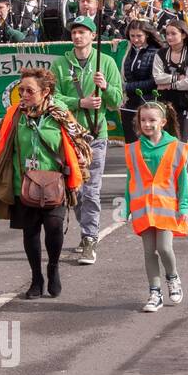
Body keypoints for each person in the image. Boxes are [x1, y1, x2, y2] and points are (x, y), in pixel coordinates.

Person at [0, 67, 88, 299]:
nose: (23, 95)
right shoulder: (14, 115)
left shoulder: (60, 114)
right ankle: (36, 278)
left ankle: (53, 267)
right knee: (30, 232)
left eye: (29, 91)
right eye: (21, 90)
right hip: (24, 184)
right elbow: (1, 148)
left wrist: (78, 170)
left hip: (55, 184)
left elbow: (80, 144)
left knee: (53, 228)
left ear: (45, 91)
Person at [50, 16, 121, 266]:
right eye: (75, 32)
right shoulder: (60, 64)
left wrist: (106, 87)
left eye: (83, 32)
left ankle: (90, 237)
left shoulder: (107, 62)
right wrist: (80, 103)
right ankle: (87, 231)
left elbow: (116, 101)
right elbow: (52, 98)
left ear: (93, 36)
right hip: (69, 135)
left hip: (96, 135)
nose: (78, 36)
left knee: (91, 190)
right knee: (75, 190)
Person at [125, 101, 188, 314]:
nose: (147, 124)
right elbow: (130, 179)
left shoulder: (175, 147)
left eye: (152, 120)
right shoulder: (134, 149)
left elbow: (182, 180)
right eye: (143, 120)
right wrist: (126, 207)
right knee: (148, 251)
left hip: (166, 207)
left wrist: (184, 205)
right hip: (143, 207)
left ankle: (172, 277)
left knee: (164, 248)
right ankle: (155, 293)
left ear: (163, 122)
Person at [152, 19, 188, 143]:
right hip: (163, 103)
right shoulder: (160, 53)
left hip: (185, 103)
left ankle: (180, 163)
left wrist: (169, 85)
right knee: (164, 142)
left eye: (173, 33)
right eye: (167, 33)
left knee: (181, 143)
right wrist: (177, 78)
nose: (169, 37)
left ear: (184, 34)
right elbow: (157, 77)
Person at [120, 20, 162, 144]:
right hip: (130, 103)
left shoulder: (155, 52)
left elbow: (153, 82)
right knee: (131, 142)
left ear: (147, 35)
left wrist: (127, 87)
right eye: (132, 36)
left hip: (148, 103)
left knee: (148, 142)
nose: (135, 39)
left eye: (139, 36)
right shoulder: (128, 50)